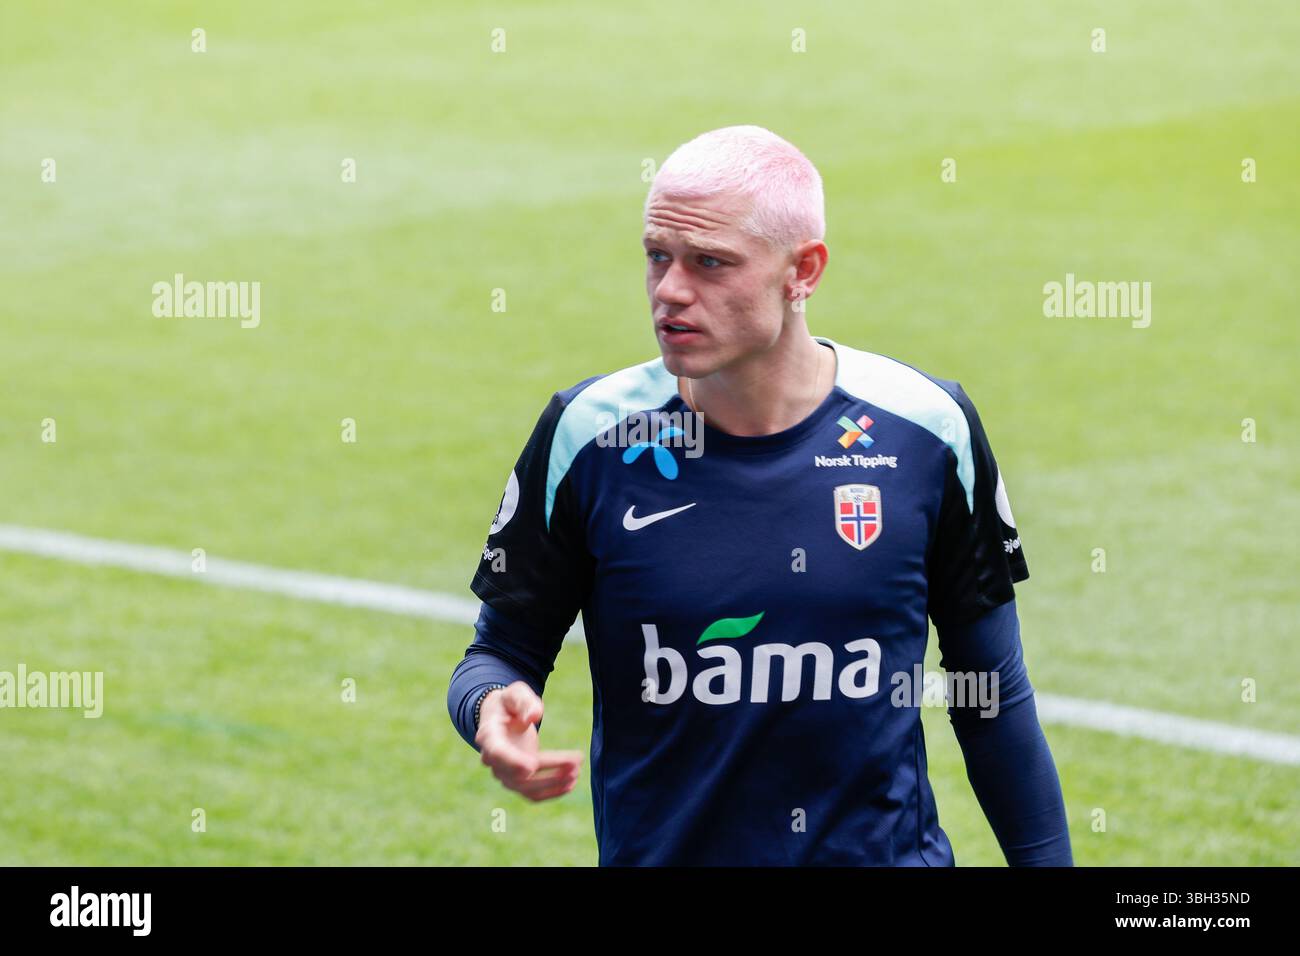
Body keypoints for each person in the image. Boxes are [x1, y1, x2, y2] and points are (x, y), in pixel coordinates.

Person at [448, 125, 1072, 866]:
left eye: (711, 263)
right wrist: (491, 709)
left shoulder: (927, 431)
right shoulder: (589, 437)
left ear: (802, 271)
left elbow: (989, 692)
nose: (670, 291)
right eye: (657, 256)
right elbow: (499, 652)